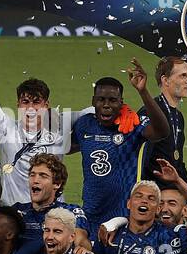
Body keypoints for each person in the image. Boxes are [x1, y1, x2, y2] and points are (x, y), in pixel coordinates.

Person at [0, 35, 90, 203]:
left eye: (36, 102)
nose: (31, 108)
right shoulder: (5, 128)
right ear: (18, 105)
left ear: (46, 105)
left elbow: (93, 112)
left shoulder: (59, 125)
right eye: (25, 102)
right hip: (14, 220)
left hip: (51, 219)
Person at [69, 59, 171, 235]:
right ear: (93, 101)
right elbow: (66, 148)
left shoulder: (131, 125)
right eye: (101, 100)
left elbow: (162, 131)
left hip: (125, 219)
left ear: (121, 102)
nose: (106, 105)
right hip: (90, 216)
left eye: (112, 100)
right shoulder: (84, 125)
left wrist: (143, 91)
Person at [144, 55, 187, 189]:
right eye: (183, 76)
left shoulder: (178, 116)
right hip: (155, 194)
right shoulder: (150, 112)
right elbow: (142, 161)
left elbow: (177, 161)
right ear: (166, 80)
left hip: (172, 189)